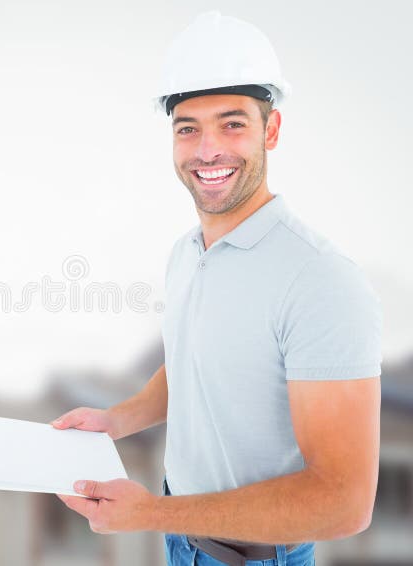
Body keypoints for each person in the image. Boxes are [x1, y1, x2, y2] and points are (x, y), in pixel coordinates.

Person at [51, 11, 382, 566]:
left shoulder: (321, 280)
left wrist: (148, 513)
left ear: (271, 130)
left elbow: (344, 502)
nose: (207, 151)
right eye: (188, 128)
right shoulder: (188, 253)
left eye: (232, 124)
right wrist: (117, 420)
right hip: (181, 542)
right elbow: (193, 363)